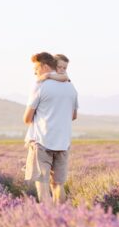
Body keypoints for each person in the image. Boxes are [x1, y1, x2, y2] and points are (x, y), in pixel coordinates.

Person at [23, 51, 78, 204]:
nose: (35, 72)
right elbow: (73, 116)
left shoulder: (40, 85)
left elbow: (27, 118)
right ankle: (63, 218)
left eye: (36, 68)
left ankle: (48, 219)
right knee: (58, 185)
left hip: (42, 141)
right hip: (63, 142)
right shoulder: (71, 87)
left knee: (42, 183)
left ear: (45, 66)